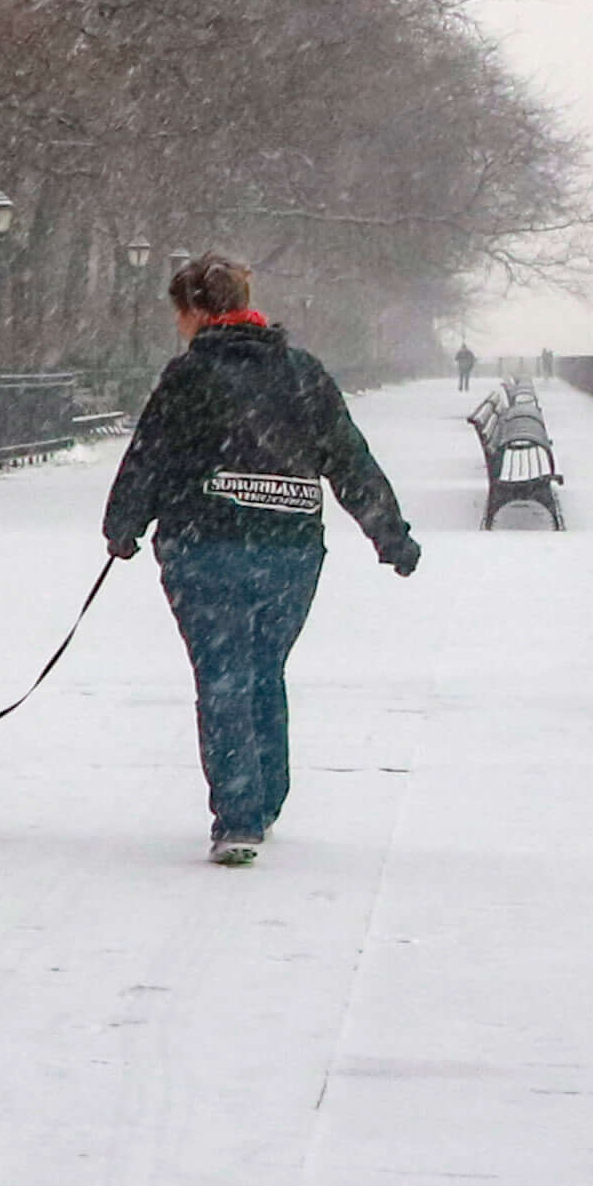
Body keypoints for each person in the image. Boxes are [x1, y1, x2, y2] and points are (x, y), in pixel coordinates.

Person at [102, 254, 414, 864]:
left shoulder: (189, 376)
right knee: (264, 668)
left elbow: (148, 455)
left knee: (223, 675)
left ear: (196, 311)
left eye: (180, 314)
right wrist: (390, 535)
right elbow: (349, 458)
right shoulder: (302, 373)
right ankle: (265, 797)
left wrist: (124, 525)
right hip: (290, 550)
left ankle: (239, 816)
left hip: (203, 546)